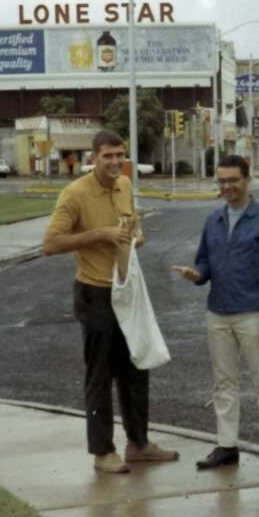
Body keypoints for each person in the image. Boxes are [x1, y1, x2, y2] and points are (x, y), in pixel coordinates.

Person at [42, 129, 179, 474]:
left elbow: (131, 228)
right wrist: (101, 234)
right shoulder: (75, 194)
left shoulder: (125, 185)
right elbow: (51, 243)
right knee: (100, 375)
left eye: (120, 155)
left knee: (137, 367)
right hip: (95, 293)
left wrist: (134, 237)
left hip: (127, 287)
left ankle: (139, 444)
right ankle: (103, 452)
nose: (116, 162)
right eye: (108, 156)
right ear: (93, 158)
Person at [174, 154, 259, 472]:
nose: (227, 187)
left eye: (233, 180)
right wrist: (197, 274)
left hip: (254, 315)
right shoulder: (214, 220)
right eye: (222, 181)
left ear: (247, 180)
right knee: (224, 383)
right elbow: (205, 262)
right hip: (218, 313)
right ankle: (226, 446)